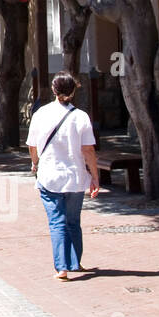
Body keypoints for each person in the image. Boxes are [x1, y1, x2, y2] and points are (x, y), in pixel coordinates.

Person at [27, 72, 100, 280]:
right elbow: (88, 150)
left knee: (57, 222)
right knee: (73, 220)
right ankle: (75, 262)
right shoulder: (81, 116)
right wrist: (95, 176)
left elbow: (32, 146)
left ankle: (62, 268)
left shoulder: (41, 114)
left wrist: (35, 163)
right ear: (73, 91)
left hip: (49, 176)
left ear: (53, 89)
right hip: (75, 177)